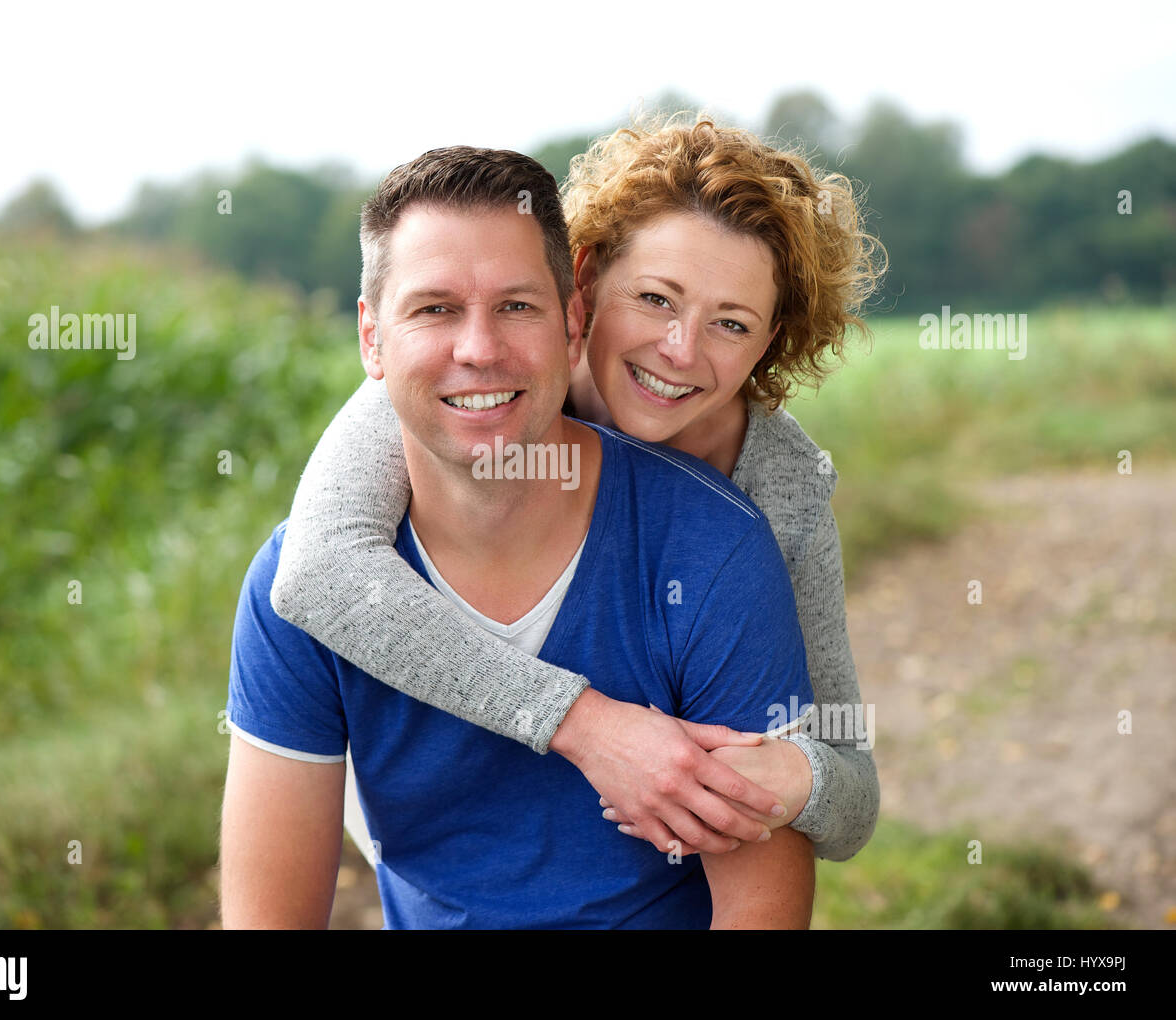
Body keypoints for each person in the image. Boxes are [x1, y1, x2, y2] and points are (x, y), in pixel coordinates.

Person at [221, 145, 815, 929]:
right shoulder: (304, 584)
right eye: (434, 308)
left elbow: (766, 904)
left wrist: (809, 776)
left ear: (572, 321)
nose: (479, 349)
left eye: (517, 306)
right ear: (371, 338)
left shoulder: (722, 544)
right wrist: (585, 724)